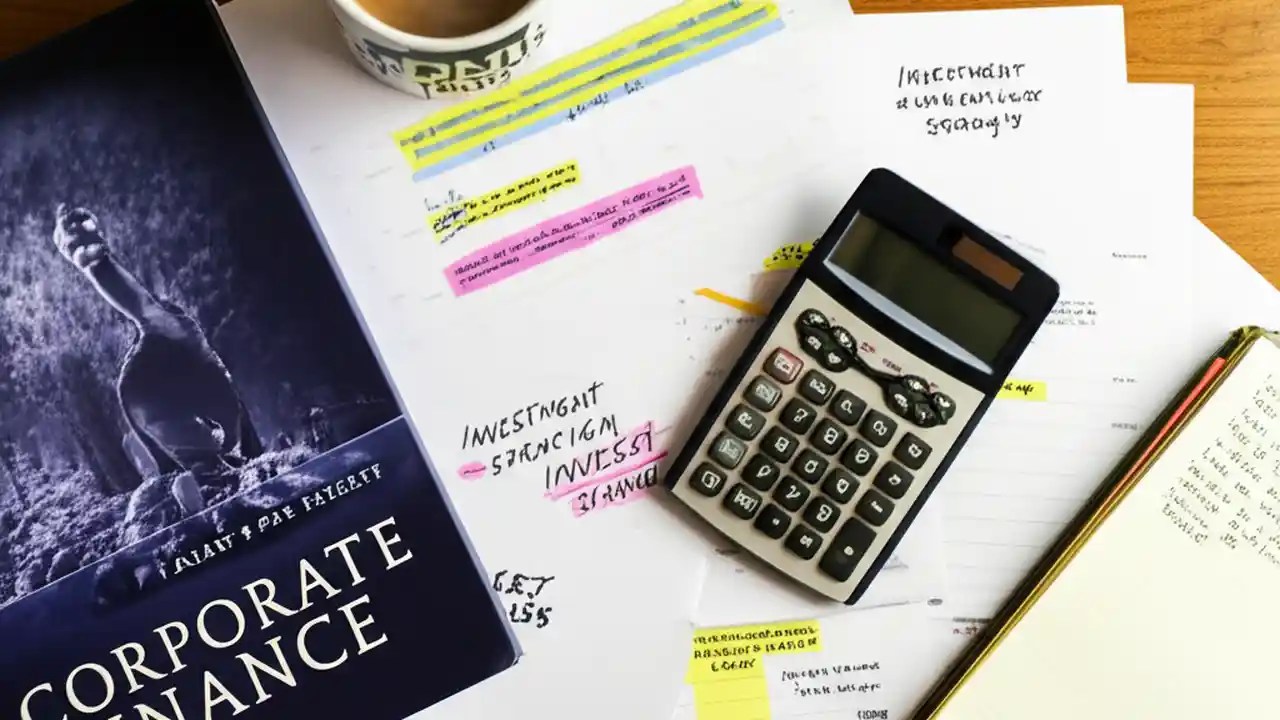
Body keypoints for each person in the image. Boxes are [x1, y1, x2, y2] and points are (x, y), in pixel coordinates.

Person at [52, 204, 262, 513]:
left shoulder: (182, 342)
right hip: (160, 380)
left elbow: (147, 312)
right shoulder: (184, 334)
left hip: (146, 392)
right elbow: (147, 311)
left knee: (204, 467)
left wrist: (91, 258)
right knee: (216, 461)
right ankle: (201, 481)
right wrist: (93, 259)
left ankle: (198, 484)